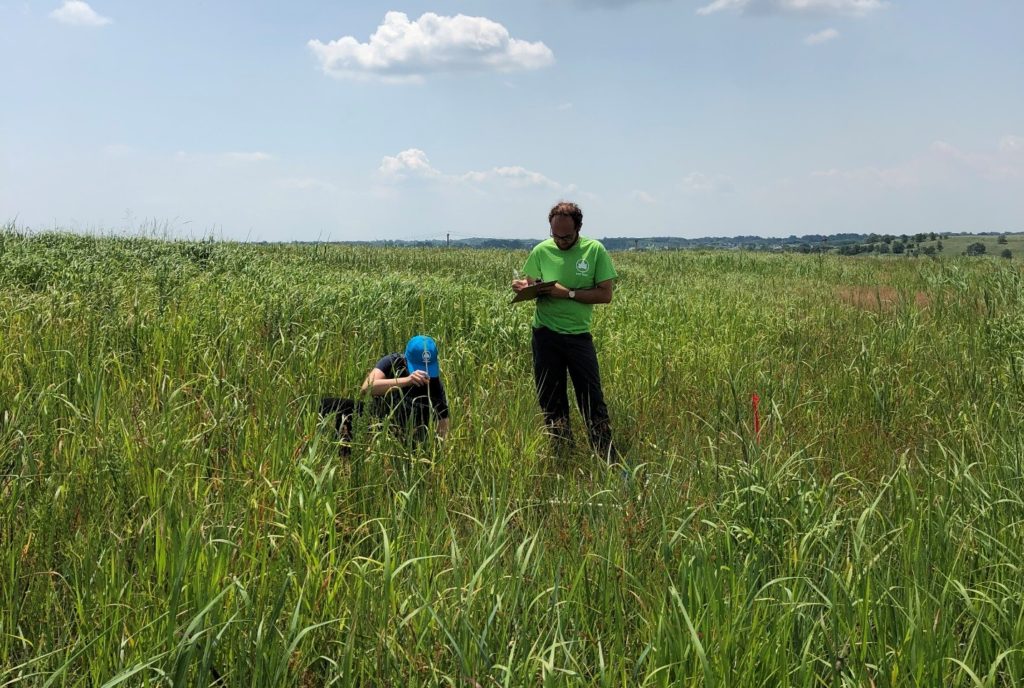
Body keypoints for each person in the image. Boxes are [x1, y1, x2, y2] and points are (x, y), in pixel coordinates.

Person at [512, 201, 619, 461]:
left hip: (578, 337)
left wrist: (567, 293)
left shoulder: (594, 251)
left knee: (591, 397)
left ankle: (606, 455)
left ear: (578, 228)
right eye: (555, 235)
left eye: (567, 236)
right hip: (545, 335)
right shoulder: (541, 250)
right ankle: (562, 454)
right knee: (551, 398)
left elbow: (605, 295)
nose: (560, 241)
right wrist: (525, 287)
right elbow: (532, 281)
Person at [319, 335, 449, 453]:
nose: (423, 374)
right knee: (328, 405)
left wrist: (437, 453)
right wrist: (407, 381)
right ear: (405, 360)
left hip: (406, 433)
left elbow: (443, 424)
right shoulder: (393, 361)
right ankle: (343, 458)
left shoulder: (434, 383)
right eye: (418, 369)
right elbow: (366, 389)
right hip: (377, 418)